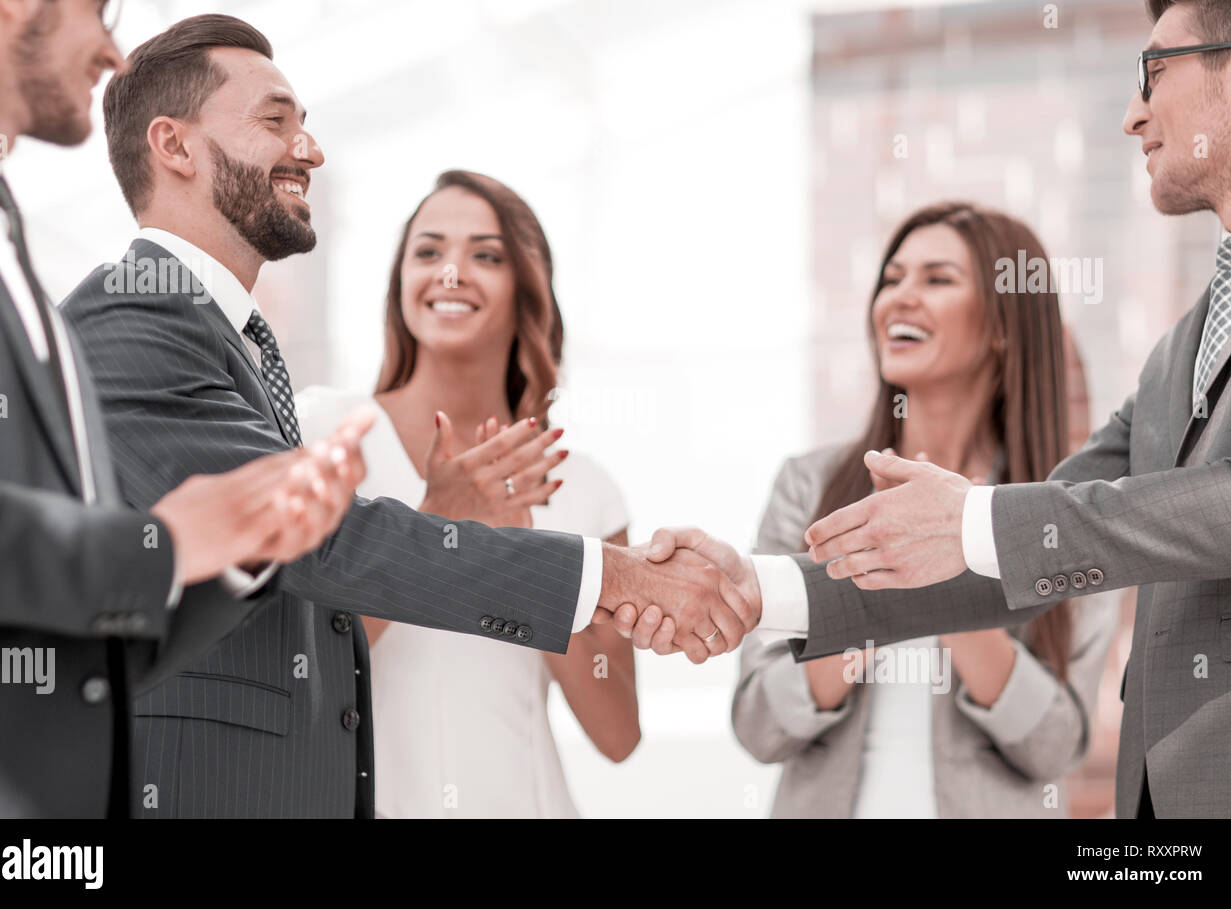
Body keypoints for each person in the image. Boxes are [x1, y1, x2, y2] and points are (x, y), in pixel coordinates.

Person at [61, 14, 746, 818]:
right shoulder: (135, 313)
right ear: (174, 147)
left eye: (307, 125)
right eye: (276, 121)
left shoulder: (232, 337)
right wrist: (611, 572)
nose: (310, 150)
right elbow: (325, 549)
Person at [620, 0, 1231, 820]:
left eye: (1153, 72)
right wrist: (757, 587)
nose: (1134, 114)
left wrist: (971, 521)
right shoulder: (1180, 351)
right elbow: (1034, 536)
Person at [0, 0, 371, 817]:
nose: (112, 49)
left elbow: (64, 642)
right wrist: (165, 542)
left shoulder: (10, 254)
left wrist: (240, 547)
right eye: (95, 10)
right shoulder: (120, 307)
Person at [730, 203, 1117, 818]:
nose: (900, 299)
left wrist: (946, 574)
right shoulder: (808, 485)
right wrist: (871, 604)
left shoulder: (1056, 512)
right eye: (892, 278)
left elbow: (1055, 746)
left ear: (1003, 326)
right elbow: (758, 724)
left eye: (937, 279)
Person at [298, 170, 639, 818]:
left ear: (526, 289)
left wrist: (530, 557)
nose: (451, 272)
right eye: (429, 251)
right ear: (401, 282)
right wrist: (436, 521)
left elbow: (618, 733)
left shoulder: (583, 485)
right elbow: (301, 664)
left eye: (486, 255)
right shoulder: (326, 434)